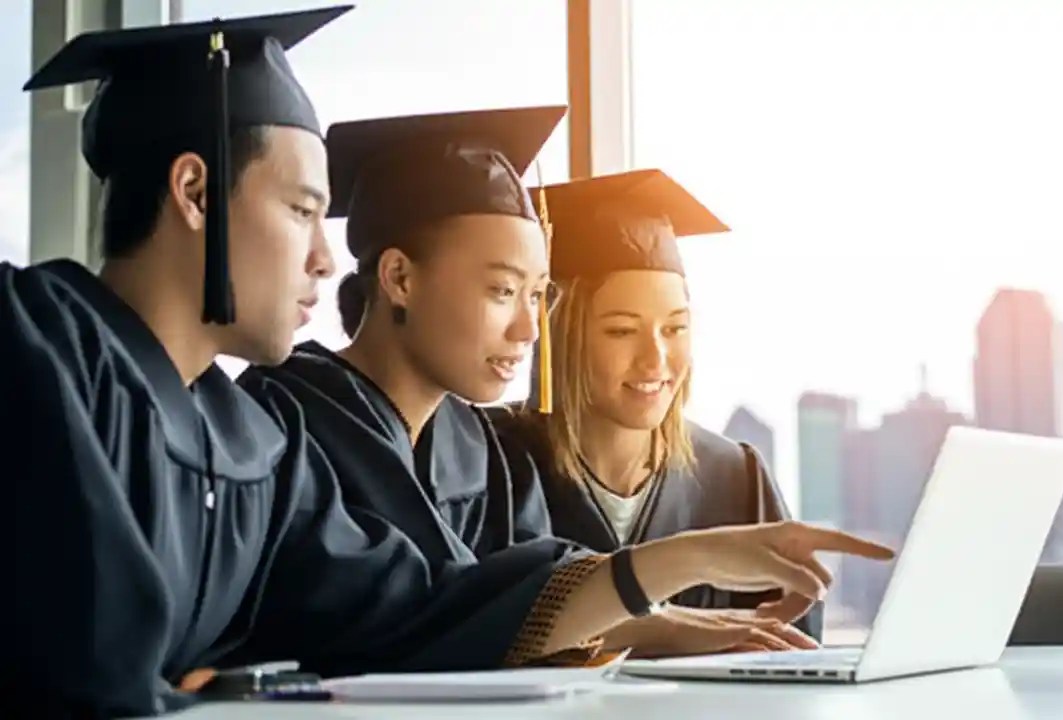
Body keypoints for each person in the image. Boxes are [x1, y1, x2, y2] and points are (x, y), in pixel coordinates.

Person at [0, 11, 894, 716]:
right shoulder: (37, 349)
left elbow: (422, 609)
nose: (326, 259)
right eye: (303, 211)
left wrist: (661, 583)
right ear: (195, 193)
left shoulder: (254, 447)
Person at [237, 109, 832, 657]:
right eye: (502, 291)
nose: (528, 329)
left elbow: (534, 605)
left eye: (537, 295)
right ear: (400, 278)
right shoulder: (282, 423)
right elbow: (430, 616)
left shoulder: (479, 448)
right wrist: (684, 563)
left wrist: (681, 626)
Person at [492, 169, 825, 642]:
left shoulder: (733, 475)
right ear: (559, 334)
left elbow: (796, 652)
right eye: (622, 331)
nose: (656, 359)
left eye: (675, 328)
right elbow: (471, 632)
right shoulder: (487, 461)